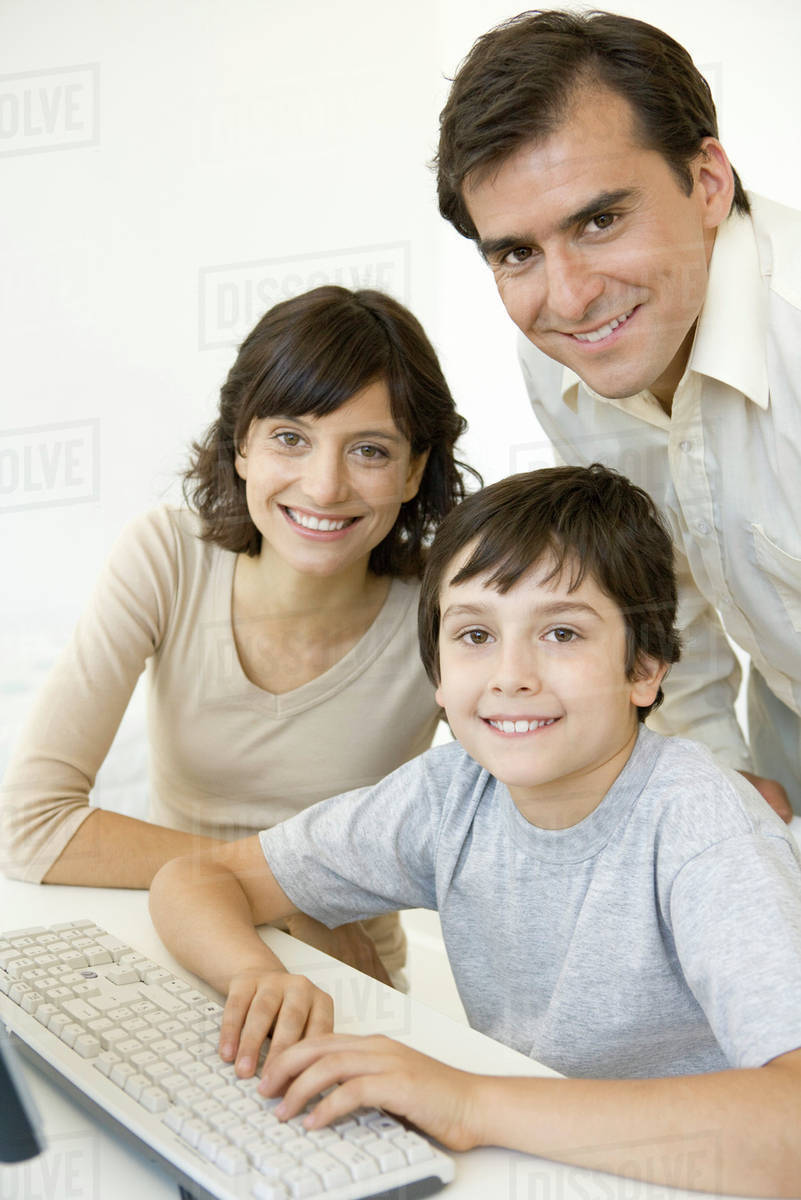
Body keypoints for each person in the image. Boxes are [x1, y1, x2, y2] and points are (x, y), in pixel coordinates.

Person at [150, 465, 801, 1196]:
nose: (510, 675)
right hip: (529, 1164)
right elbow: (198, 879)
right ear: (437, 671)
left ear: (644, 668)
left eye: (561, 632)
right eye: (475, 634)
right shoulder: (452, 792)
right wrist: (258, 977)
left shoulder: (702, 828)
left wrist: (468, 1103)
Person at [1, 285, 475, 981]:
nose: (324, 487)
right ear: (241, 444)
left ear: (413, 471)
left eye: (370, 451)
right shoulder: (167, 556)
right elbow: (30, 826)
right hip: (172, 946)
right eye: (291, 438)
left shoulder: (448, 609)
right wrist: (280, 896)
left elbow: (519, 821)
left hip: (345, 975)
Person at [435, 9, 801, 821]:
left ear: (708, 183)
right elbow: (662, 584)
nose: (568, 298)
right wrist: (715, 774)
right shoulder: (569, 349)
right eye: (517, 253)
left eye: (599, 221)